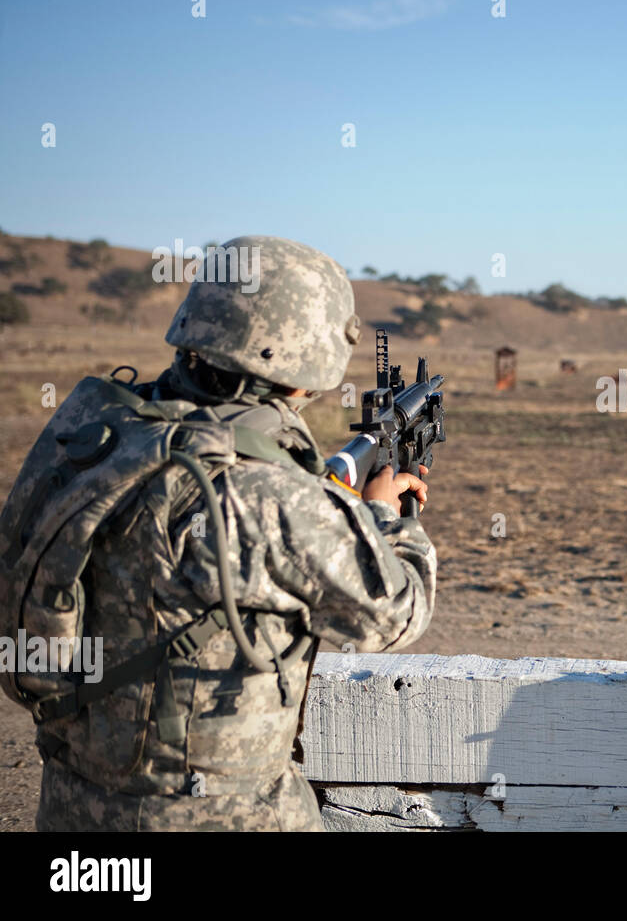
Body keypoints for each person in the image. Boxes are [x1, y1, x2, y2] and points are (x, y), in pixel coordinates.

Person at [0, 236, 436, 830]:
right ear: (307, 353)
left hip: (75, 809)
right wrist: (382, 517)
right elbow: (397, 614)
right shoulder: (267, 494)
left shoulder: (89, 432)